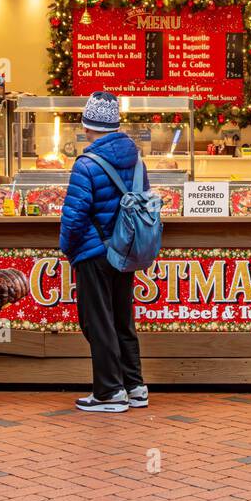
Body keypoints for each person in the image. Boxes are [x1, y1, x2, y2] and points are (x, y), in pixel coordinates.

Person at [60, 91, 149, 414]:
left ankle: (109, 391)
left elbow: (74, 215)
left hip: (94, 253)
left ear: (87, 127)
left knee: (97, 321)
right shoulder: (136, 158)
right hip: (126, 250)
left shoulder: (86, 163)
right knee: (122, 318)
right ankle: (134, 386)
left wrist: (68, 248)